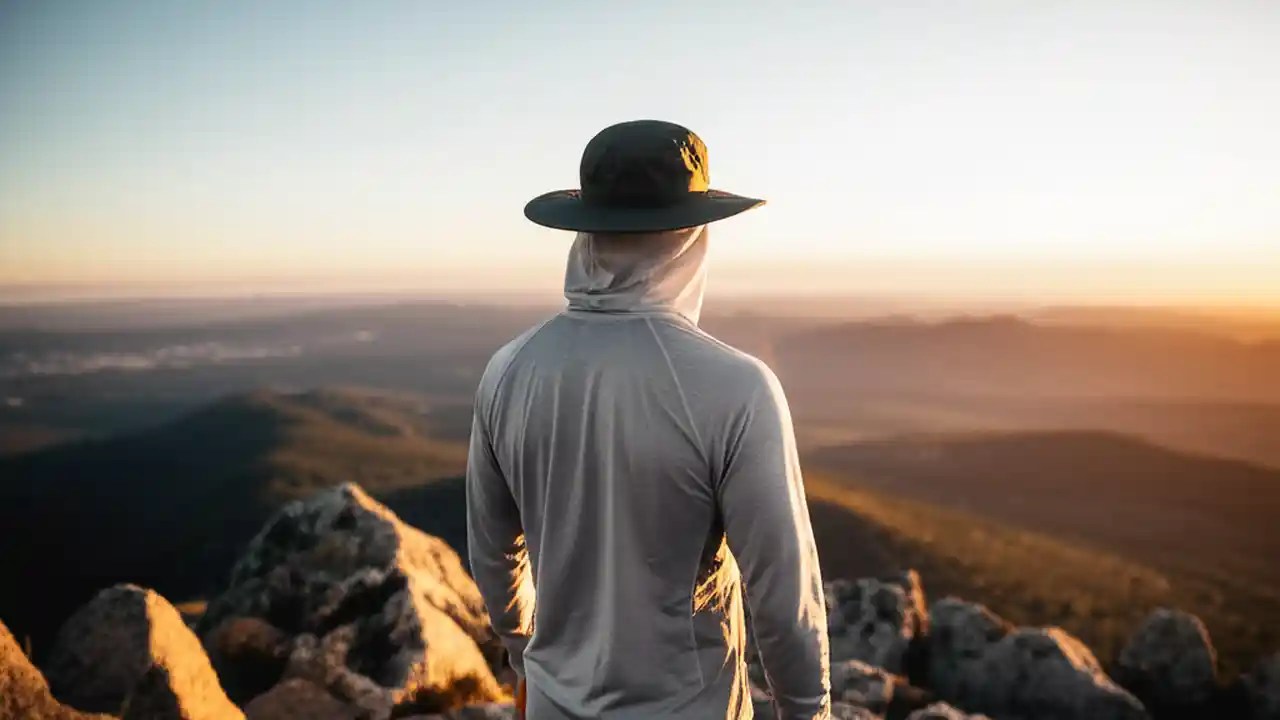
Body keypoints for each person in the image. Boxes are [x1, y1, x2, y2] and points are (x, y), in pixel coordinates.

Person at [466, 120, 831, 719]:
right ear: (692, 237)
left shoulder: (507, 371)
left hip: (552, 705)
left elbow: (495, 555)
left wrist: (522, 654)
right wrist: (809, 711)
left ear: (583, 230)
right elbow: (784, 598)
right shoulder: (737, 389)